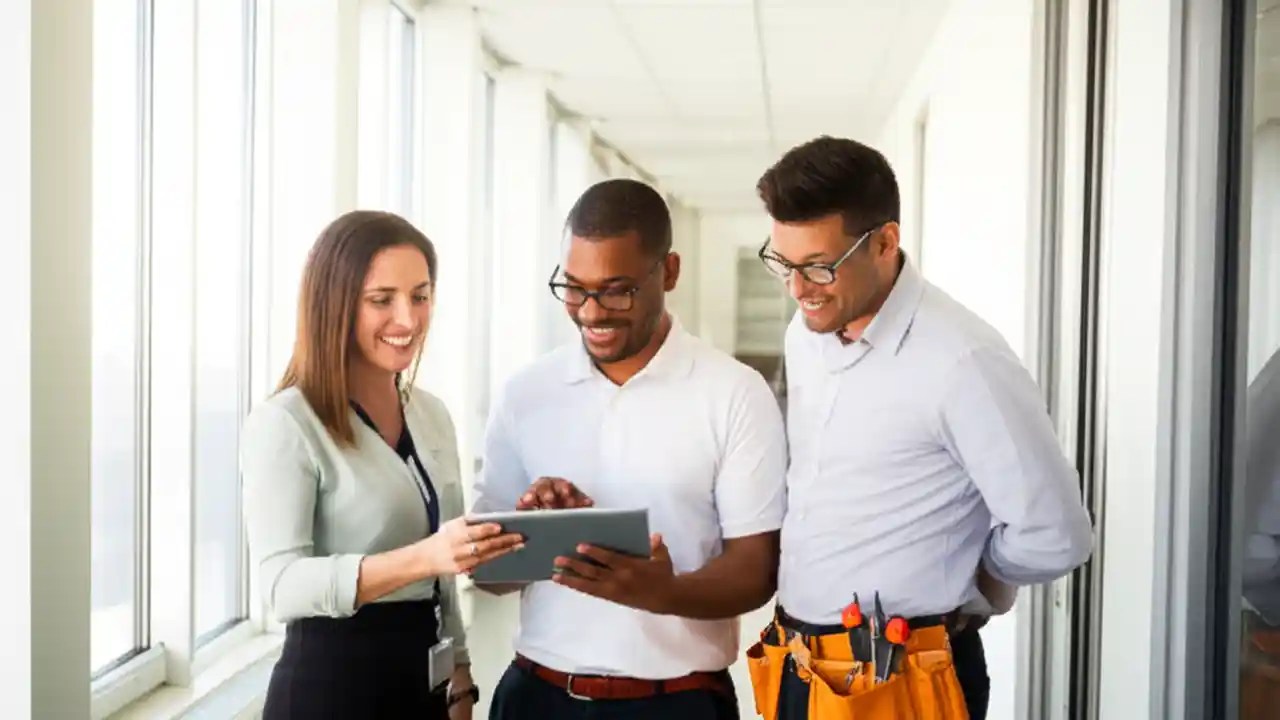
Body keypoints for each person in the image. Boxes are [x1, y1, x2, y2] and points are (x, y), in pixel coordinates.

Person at [748, 136, 1093, 720]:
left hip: (905, 678)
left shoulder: (963, 361)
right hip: (802, 667)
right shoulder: (806, 333)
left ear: (884, 241)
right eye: (783, 263)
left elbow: (1057, 534)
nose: (797, 289)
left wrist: (970, 577)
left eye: (818, 267)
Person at [472, 178, 787, 720]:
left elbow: (756, 570)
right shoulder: (527, 393)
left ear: (668, 272)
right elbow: (486, 576)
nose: (591, 312)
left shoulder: (734, 393)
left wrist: (661, 592)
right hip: (537, 696)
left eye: (616, 290)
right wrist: (531, 530)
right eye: (574, 287)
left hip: (677, 703)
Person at [241, 210, 525, 719]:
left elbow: (447, 568)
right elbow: (280, 586)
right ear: (336, 304)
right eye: (382, 300)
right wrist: (424, 557)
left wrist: (460, 678)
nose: (409, 319)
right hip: (330, 688)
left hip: (421, 686)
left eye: (420, 295)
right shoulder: (286, 422)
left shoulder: (430, 413)